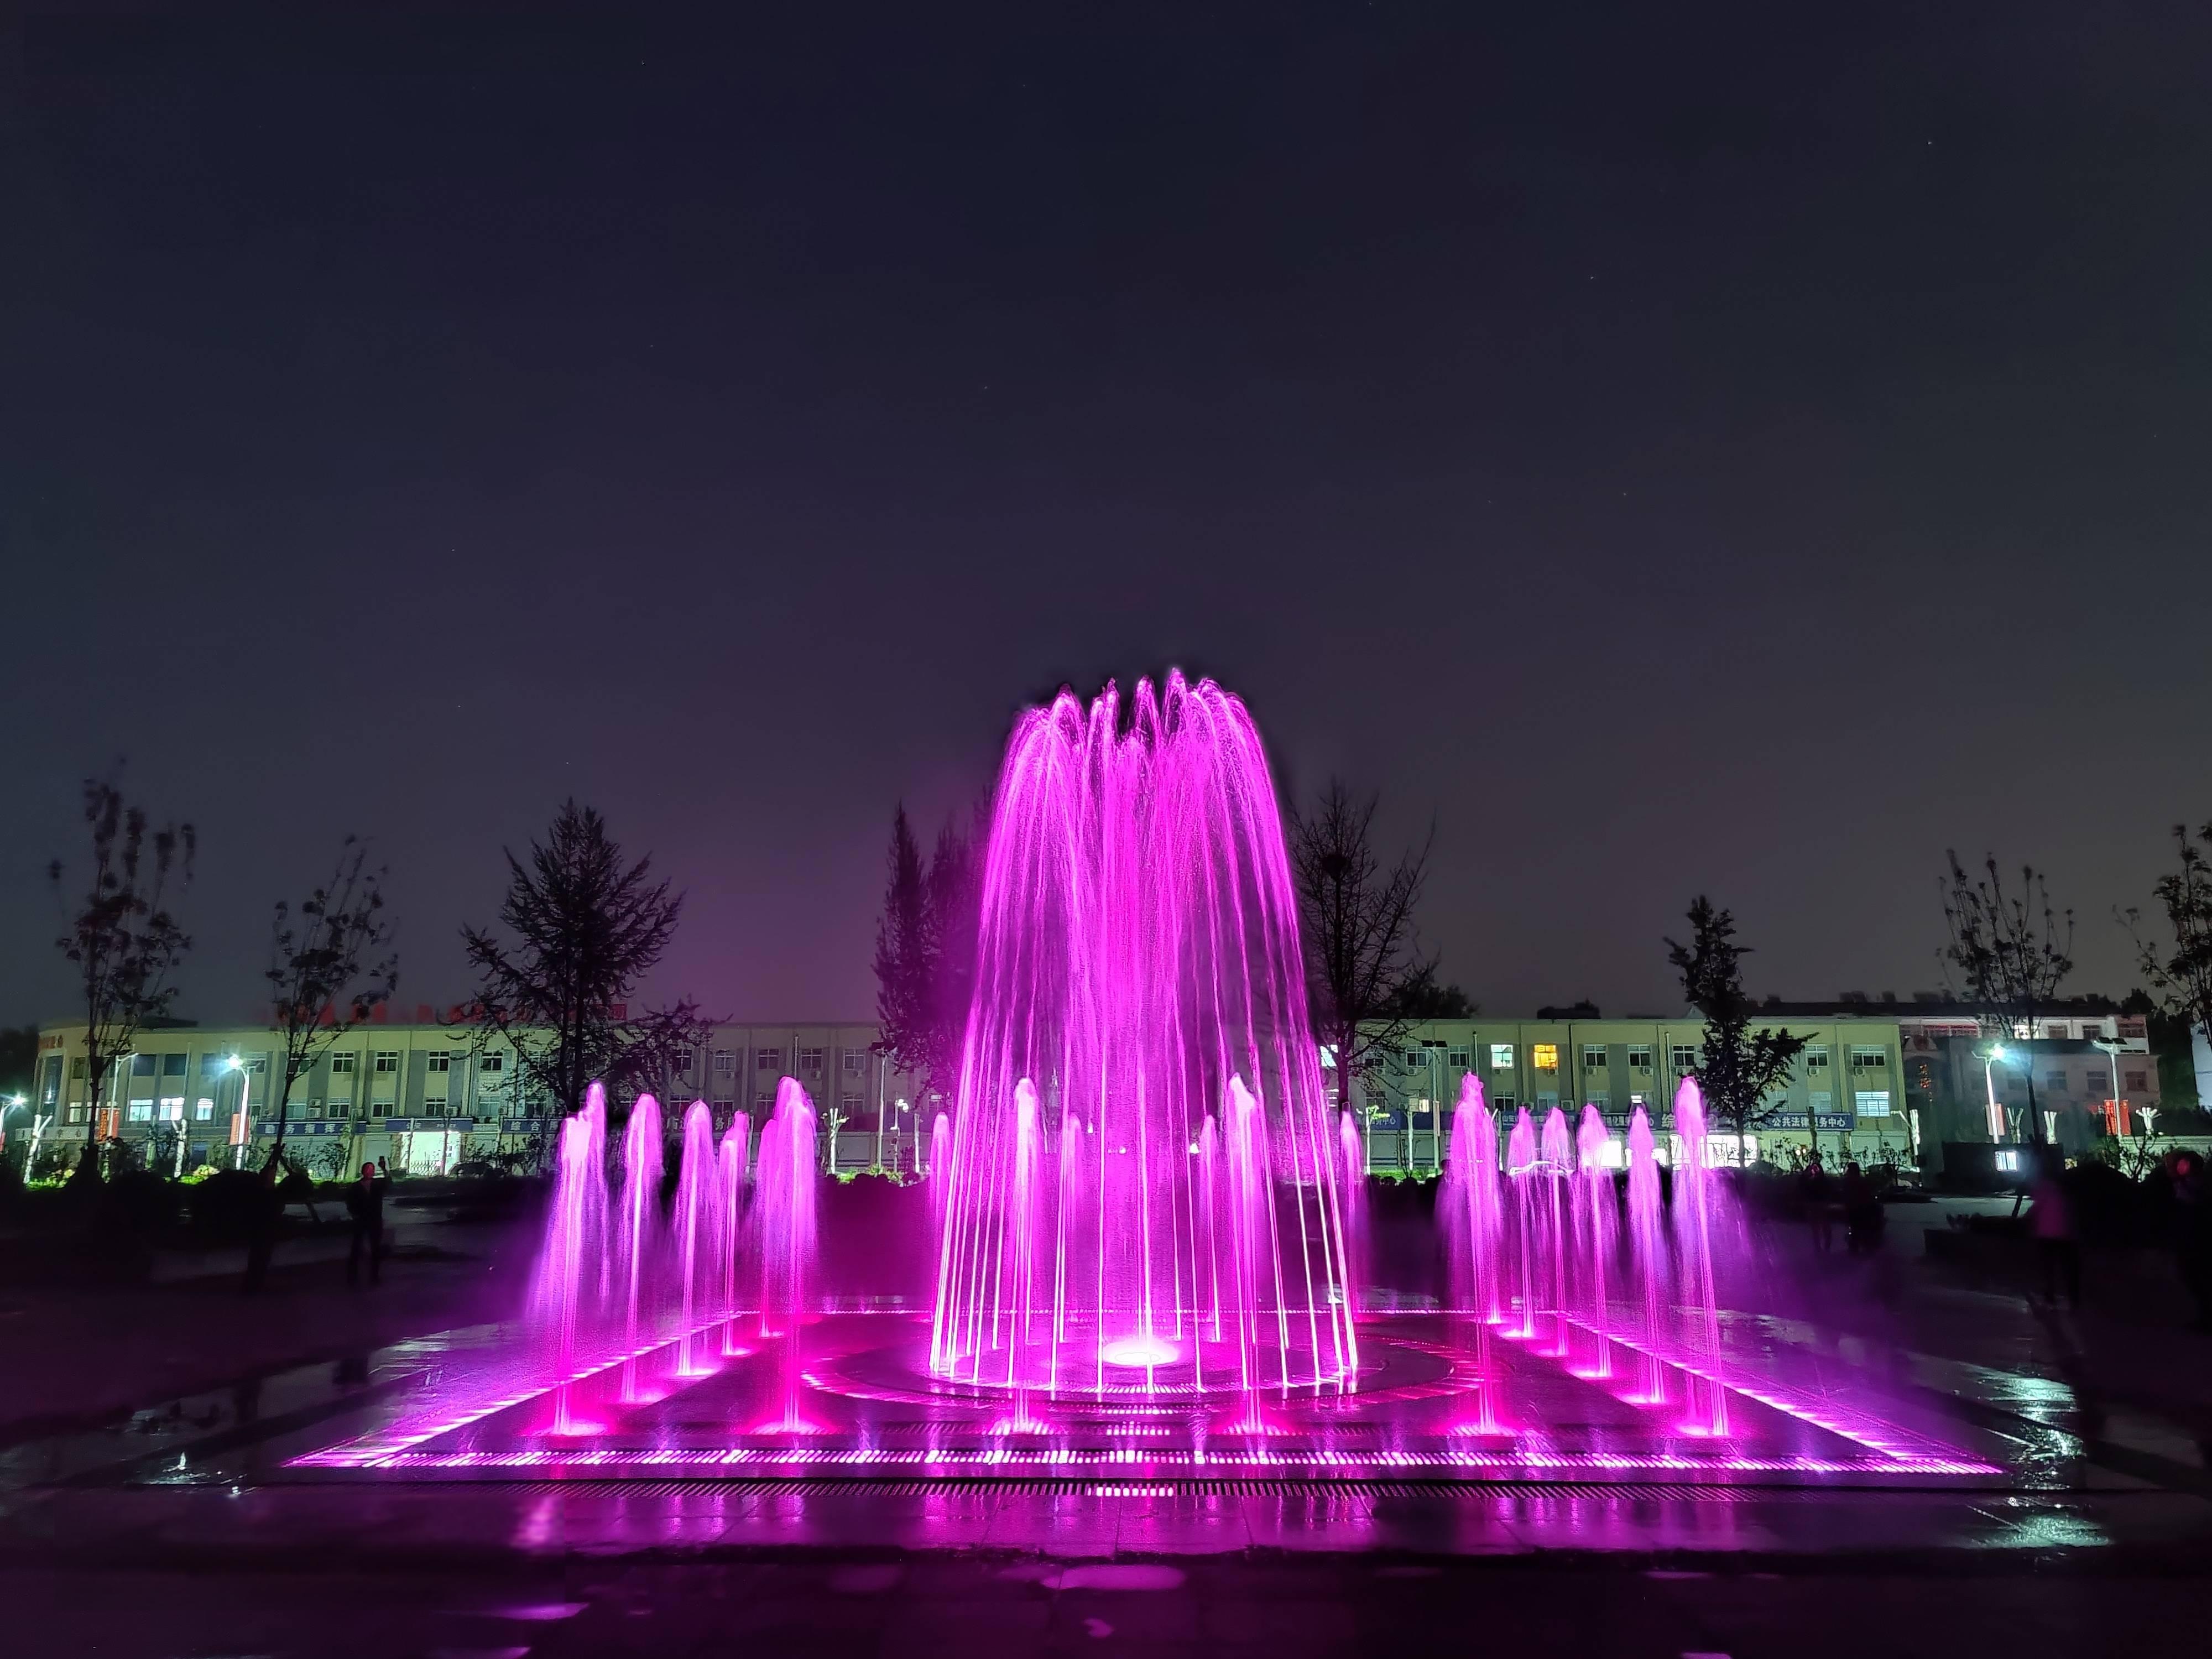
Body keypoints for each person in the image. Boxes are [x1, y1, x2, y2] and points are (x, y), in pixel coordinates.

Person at [2026, 1148, 2079, 1310]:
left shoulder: (2043, 1188)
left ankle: (2050, 1298)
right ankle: (2074, 1299)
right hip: (2064, 1233)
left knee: (2048, 1268)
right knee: (2067, 1268)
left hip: (2047, 1235)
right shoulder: (2064, 1189)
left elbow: (2036, 1208)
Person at [2168, 1150, 2212, 1332]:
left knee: (2198, 1277)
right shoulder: (2186, 1187)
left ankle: (2207, 1318)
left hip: (2196, 1240)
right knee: (2193, 1276)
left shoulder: (2194, 1189)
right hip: (2191, 1239)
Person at [241, 1158, 284, 1296]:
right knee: (258, 1258)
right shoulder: (264, 1194)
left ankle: (255, 1284)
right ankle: (252, 1285)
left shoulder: (268, 1194)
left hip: (266, 1230)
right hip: (262, 1230)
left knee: (261, 1258)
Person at [346, 1160, 388, 1288]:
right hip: (361, 1220)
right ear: (363, 1171)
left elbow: (389, 1182)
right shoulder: (356, 1186)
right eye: (368, 1169)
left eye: (372, 1169)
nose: (370, 1171)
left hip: (375, 1220)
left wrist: (384, 1168)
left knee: (375, 1248)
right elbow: (349, 1202)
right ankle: (352, 1275)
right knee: (356, 1248)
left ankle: (374, 1275)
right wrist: (354, 1214)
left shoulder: (378, 1184)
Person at [1840, 1160, 1883, 1256]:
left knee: (1856, 1228)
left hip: (1854, 1208)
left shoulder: (1848, 1181)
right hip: (1863, 1208)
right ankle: (1864, 1247)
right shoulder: (1861, 1181)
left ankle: (1855, 1248)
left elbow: (1845, 1195)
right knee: (1862, 1228)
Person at [1799, 1151, 1835, 1254]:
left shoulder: (1823, 1181)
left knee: (1825, 1227)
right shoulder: (1809, 1181)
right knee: (1816, 1229)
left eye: (1816, 1168)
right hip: (1814, 1205)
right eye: (1813, 1168)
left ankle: (1826, 1247)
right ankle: (1818, 1247)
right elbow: (1803, 1187)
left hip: (1821, 1205)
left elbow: (1828, 1191)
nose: (1814, 1170)